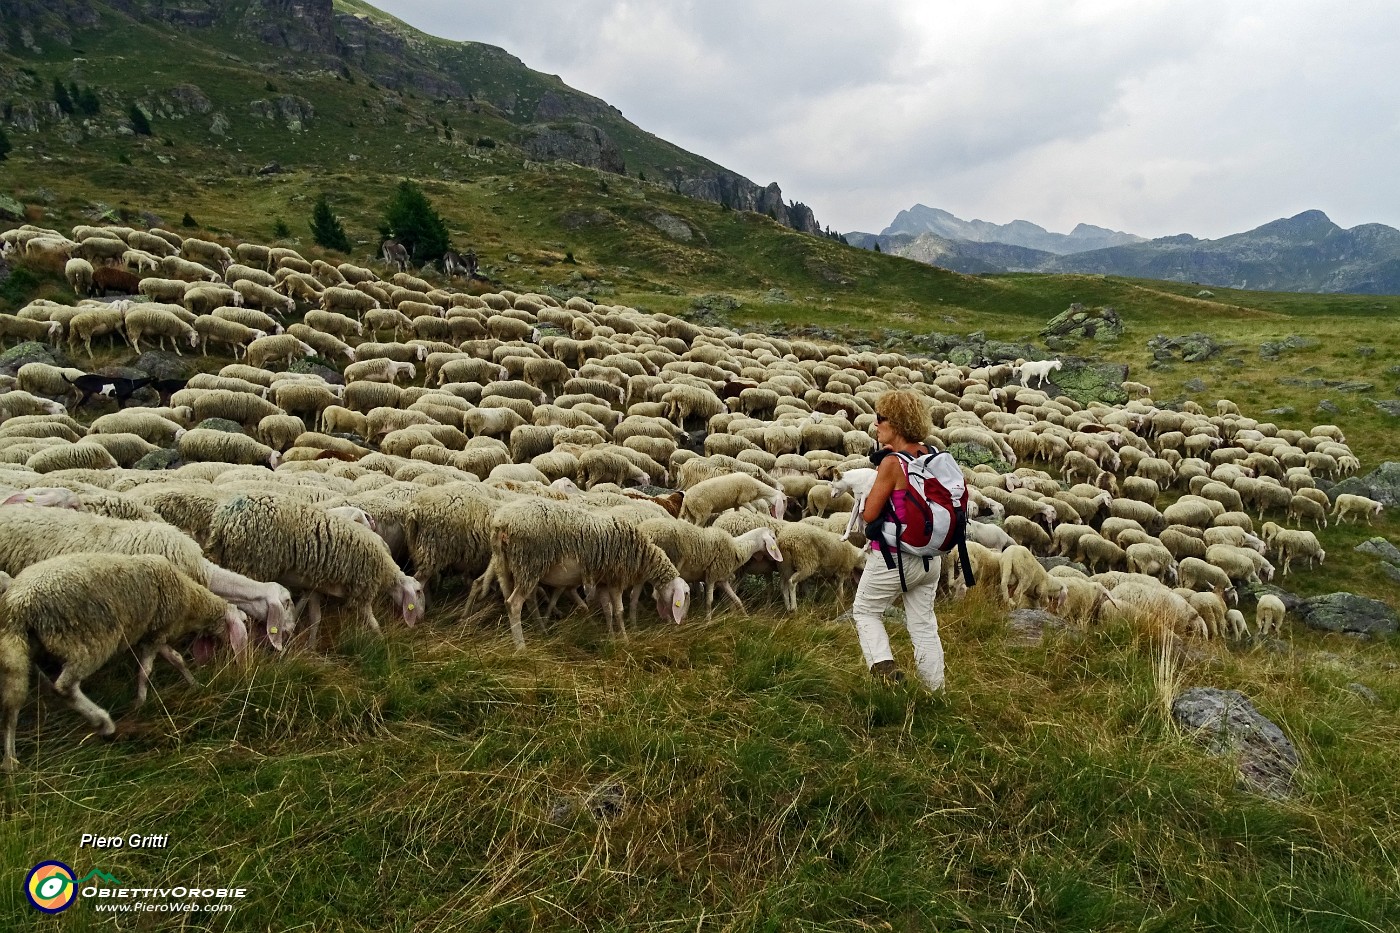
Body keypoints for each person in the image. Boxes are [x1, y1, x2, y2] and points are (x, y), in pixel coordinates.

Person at [851, 389, 945, 690]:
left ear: (898, 424)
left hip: (895, 558)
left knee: (865, 611)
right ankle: (935, 691)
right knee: (923, 623)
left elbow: (869, 513)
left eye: (881, 419)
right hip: (931, 558)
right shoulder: (932, 454)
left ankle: (887, 676)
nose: (876, 425)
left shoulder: (893, 463)